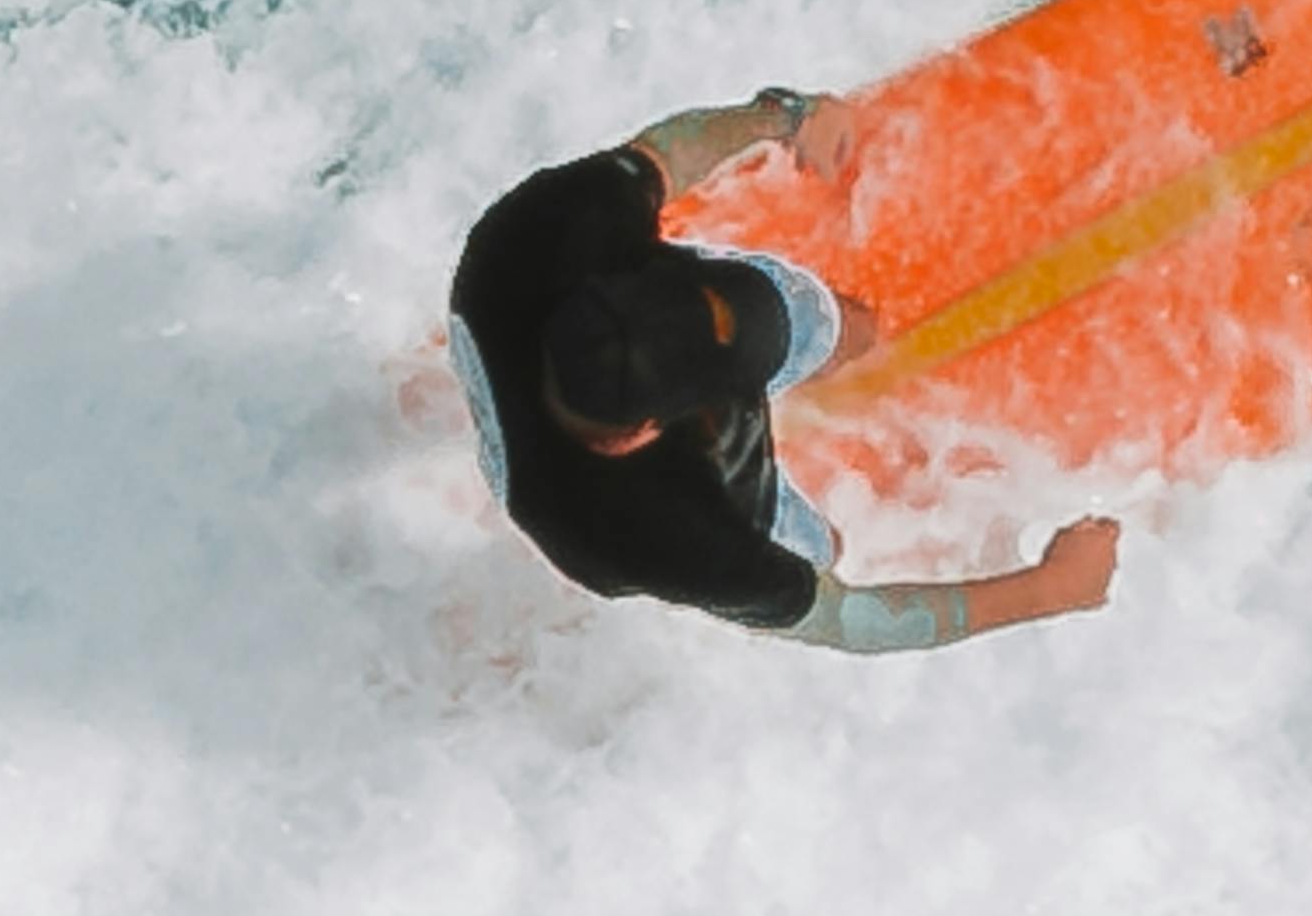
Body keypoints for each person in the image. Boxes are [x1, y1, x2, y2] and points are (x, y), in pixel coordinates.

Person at [446, 94, 1125, 652]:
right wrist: (1052, 590)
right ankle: (831, 357)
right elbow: (847, 621)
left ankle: (842, 334)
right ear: (642, 431)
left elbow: (664, 152)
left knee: (819, 318)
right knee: (820, 554)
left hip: (536, 349)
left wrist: (786, 115)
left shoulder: (535, 233)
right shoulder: (654, 538)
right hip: (593, 480)